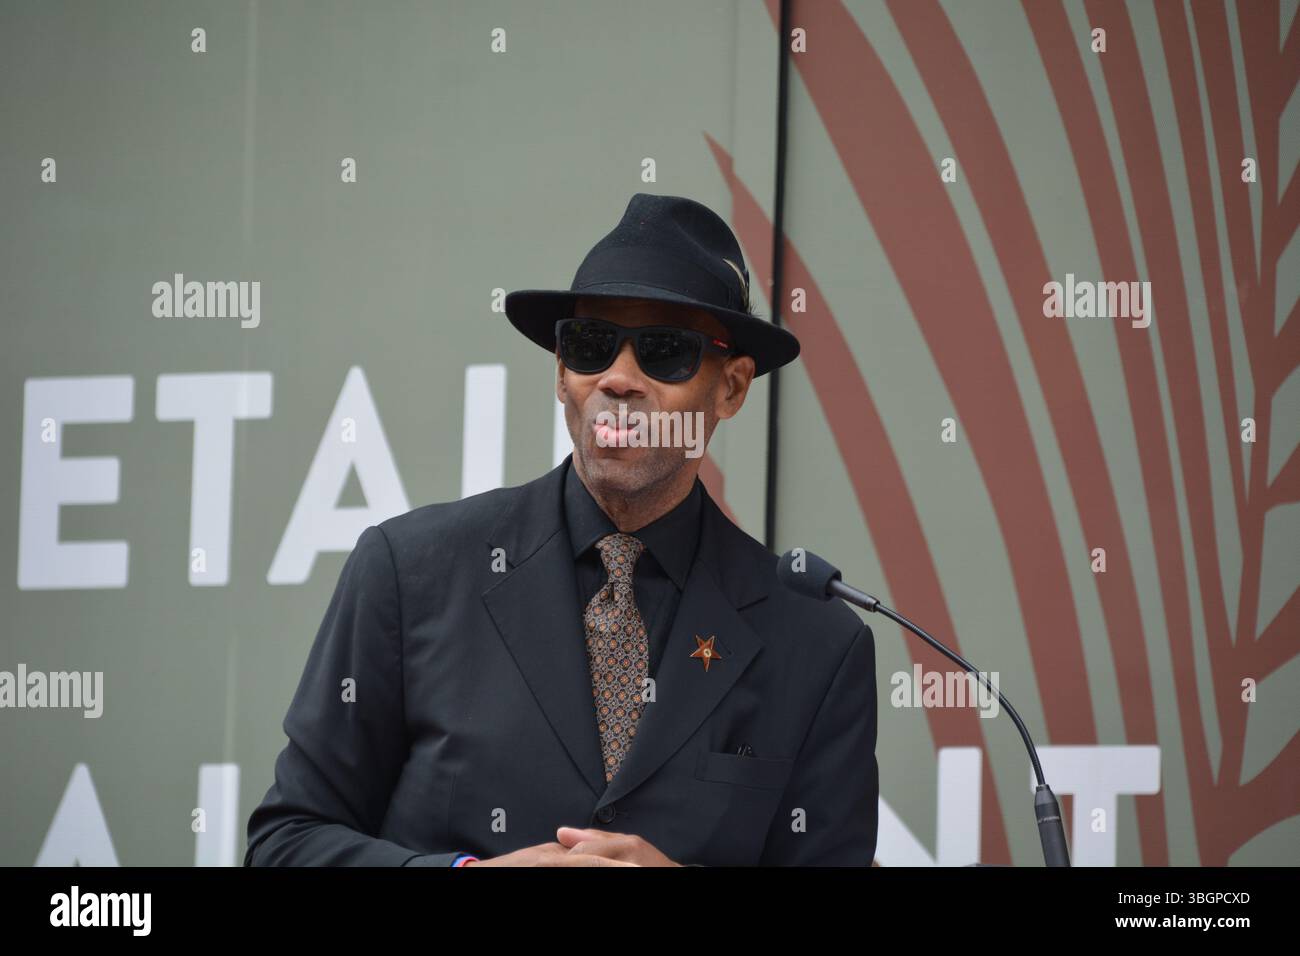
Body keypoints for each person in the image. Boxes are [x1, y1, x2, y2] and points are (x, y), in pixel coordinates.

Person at [244, 192, 878, 866]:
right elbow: (285, 845)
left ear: (732, 388)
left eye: (664, 351)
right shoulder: (410, 570)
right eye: (590, 345)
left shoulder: (816, 643)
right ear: (560, 373)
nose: (618, 378)